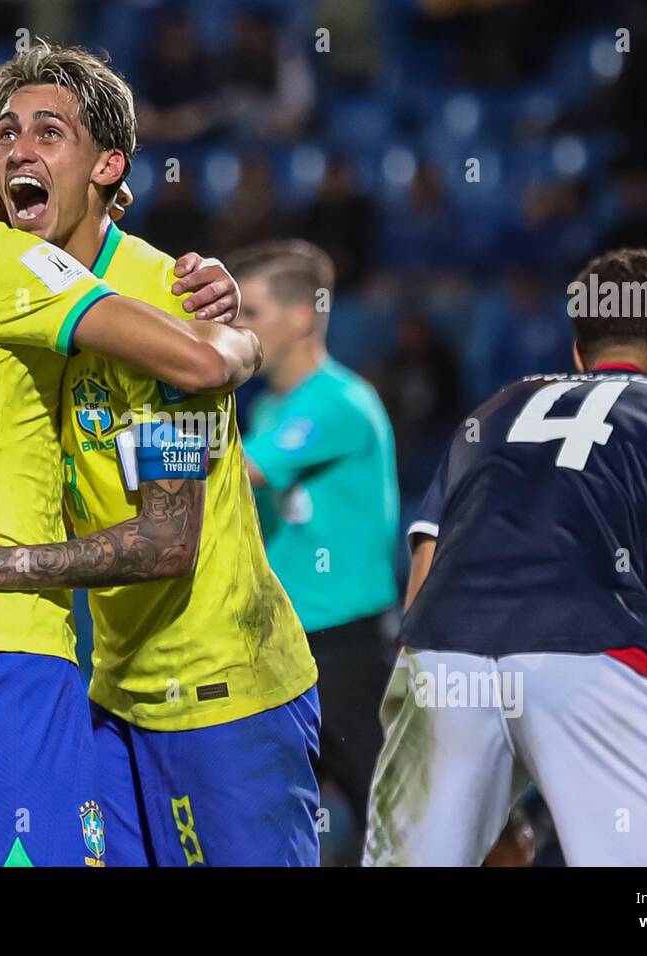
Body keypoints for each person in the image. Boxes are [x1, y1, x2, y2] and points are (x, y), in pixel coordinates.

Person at [0, 43, 321, 867]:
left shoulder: (167, 307)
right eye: (9, 133)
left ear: (107, 165)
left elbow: (168, 541)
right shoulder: (25, 309)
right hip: (115, 701)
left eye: (50, 134)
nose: (20, 150)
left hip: (223, 696)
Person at [365, 248, 647, 867]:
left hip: (440, 657)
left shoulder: (490, 414)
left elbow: (424, 585)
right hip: (590, 650)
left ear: (579, 354)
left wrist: (473, 800)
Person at [231, 240, 399, 861]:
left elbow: (238, 472)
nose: (236, 328)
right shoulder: (271, 404)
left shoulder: (338, 401)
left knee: (389, 810)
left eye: (249, 313)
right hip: (286, 642)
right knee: (281, 814)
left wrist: (144, 447)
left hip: (345, 646)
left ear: (301, 316)